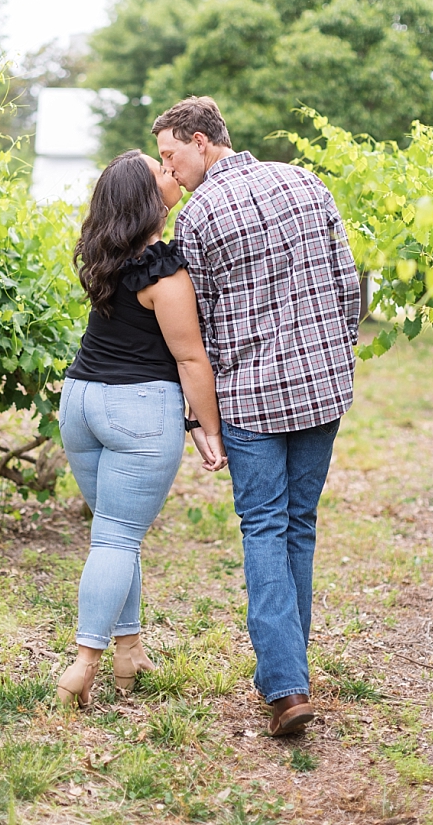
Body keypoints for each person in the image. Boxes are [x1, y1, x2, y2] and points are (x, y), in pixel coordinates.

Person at [153, 96, 360, 738]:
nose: (170, 171)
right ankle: (290, 673)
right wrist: (333, 349)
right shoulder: (306, 182)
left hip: (250, 398)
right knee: (299, 523)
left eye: (170, 155)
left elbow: (200, 329)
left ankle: (284, 685)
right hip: (322, 387)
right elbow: (348, 282)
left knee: (264, 527)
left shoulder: (198, 219)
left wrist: (200, 419)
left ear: (200, 141)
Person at [55, 151, 227, 708]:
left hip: (80, 402)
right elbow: (191, 359)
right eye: (160, 171)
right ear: (146, 199)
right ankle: (84, 663)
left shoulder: (104, 258)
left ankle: (129, 649)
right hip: (136, 409)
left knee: (113, 533)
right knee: (116, 537)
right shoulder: (165, 272)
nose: (170, 172)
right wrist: (207, 426)